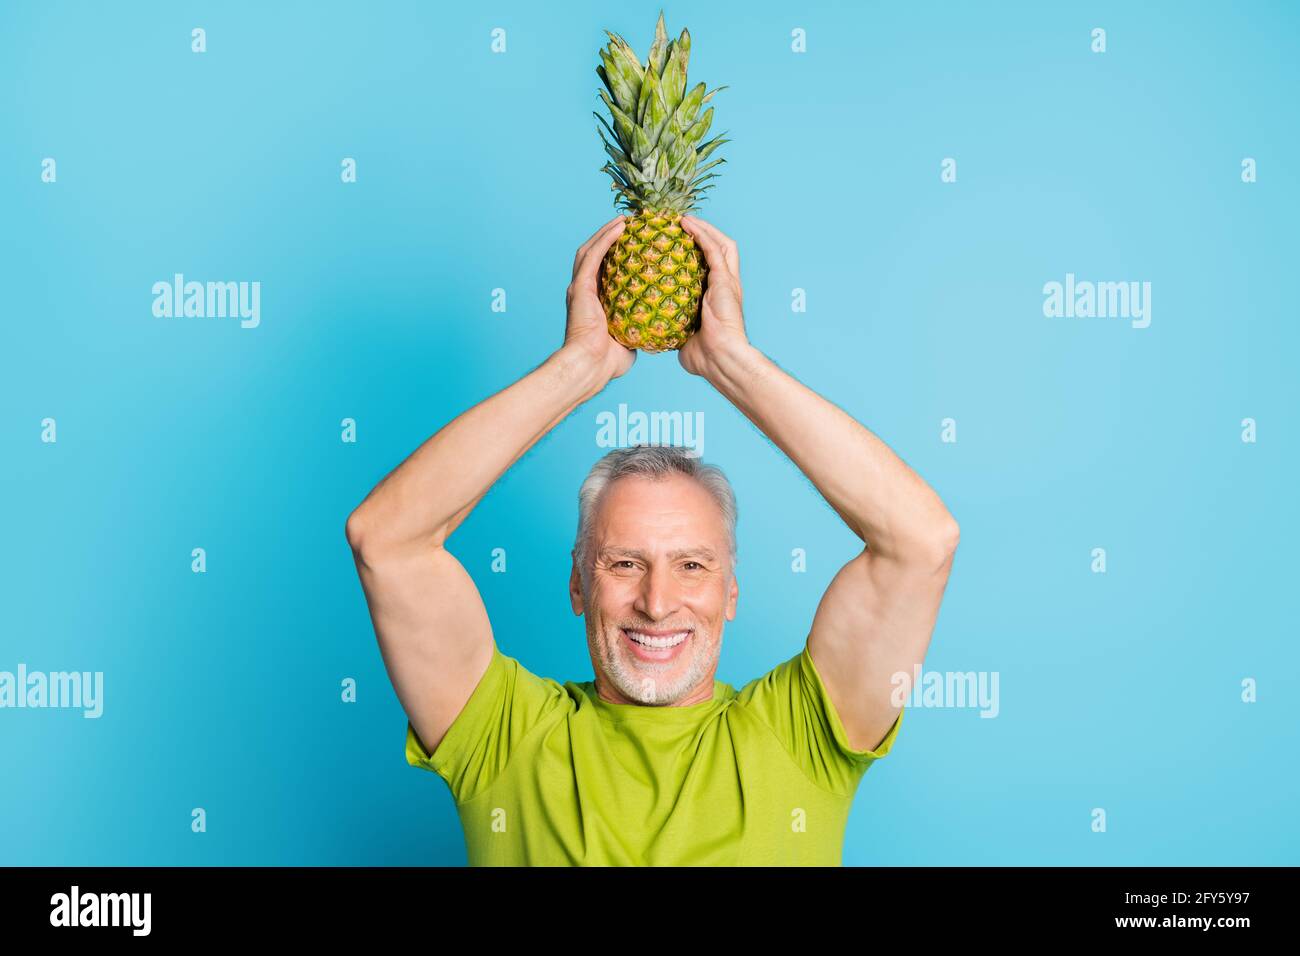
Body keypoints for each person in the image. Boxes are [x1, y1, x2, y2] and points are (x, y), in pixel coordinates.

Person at [345, 214, 960, 865]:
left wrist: (733, 363)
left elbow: (921, 541)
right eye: (624, 563)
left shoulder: (800, 735)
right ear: (578, 584)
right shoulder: (505, 736)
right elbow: (386, 539)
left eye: (692, 565)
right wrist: (581, 367)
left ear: (731, 590)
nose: (657, 601)